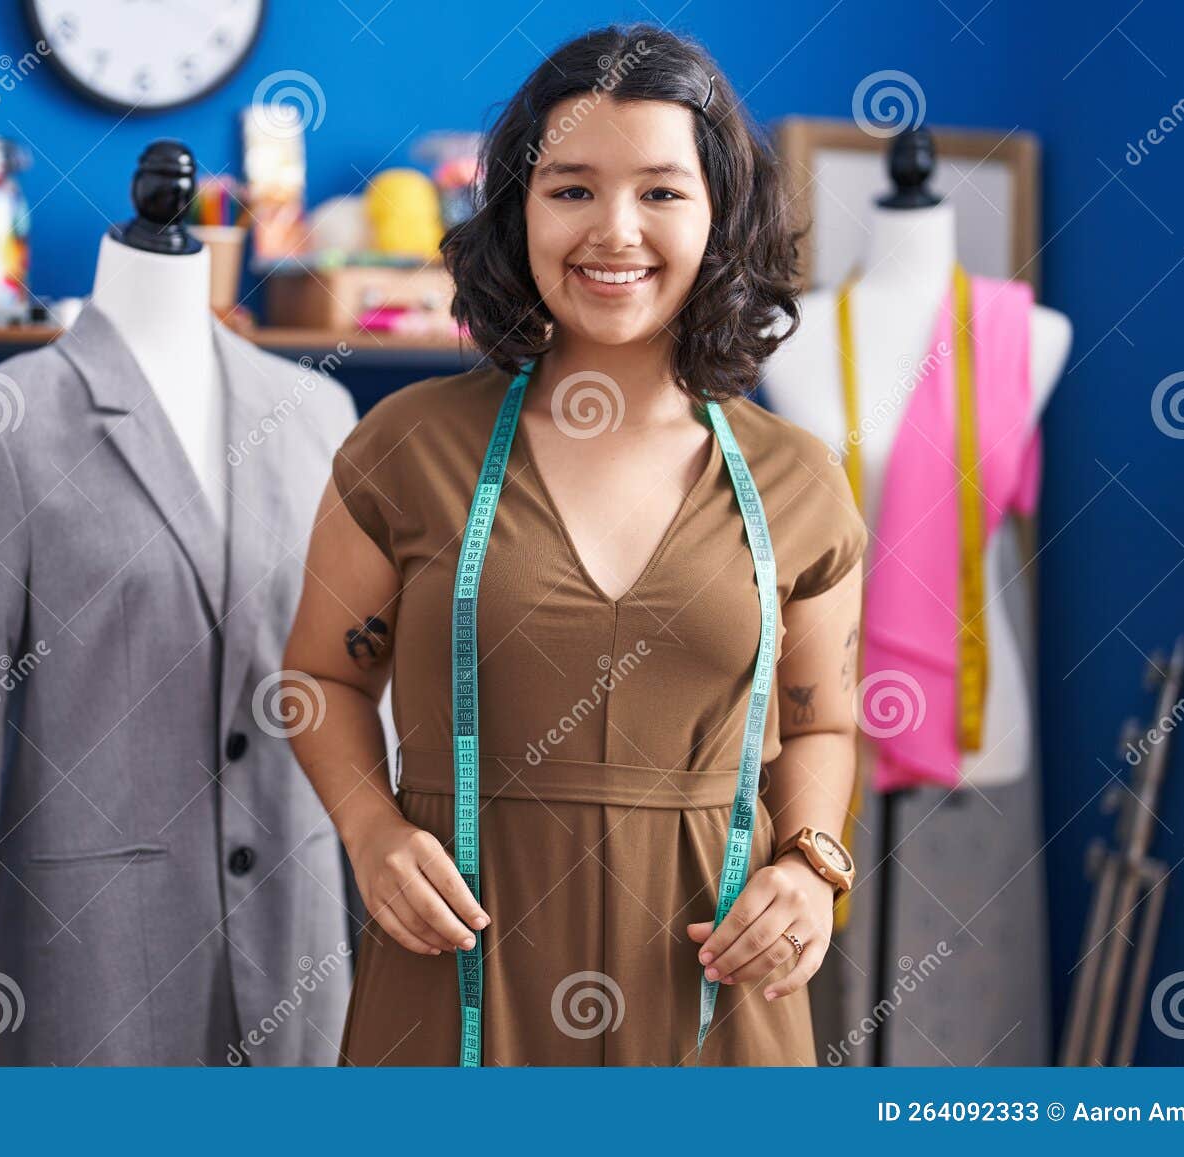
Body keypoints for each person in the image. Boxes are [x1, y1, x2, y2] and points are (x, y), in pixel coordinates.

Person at [280, 23, 867, 1066]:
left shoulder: (799, 478)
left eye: (660, 190)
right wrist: (370, 833)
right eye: (571, 189)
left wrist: (813, 866)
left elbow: (822, 722)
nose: (614, 230)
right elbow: (319, 676)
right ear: (517, 212)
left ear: (721, 214)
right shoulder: (405, 447)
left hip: (715, 988)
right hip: (453, 966)